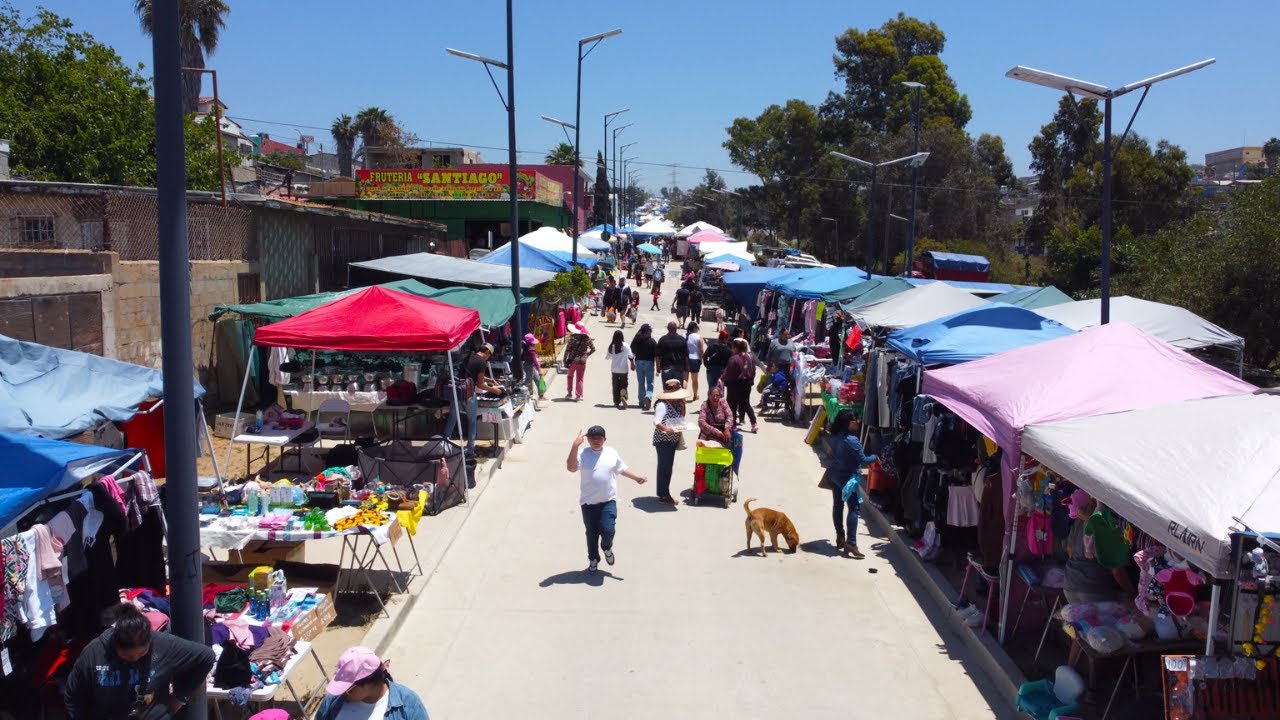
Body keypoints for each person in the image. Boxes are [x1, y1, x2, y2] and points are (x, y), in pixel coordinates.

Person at [64, 603, 215, 720]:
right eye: (128, 657)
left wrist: (179, 697)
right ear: (114, 645)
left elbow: (206, 657)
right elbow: (73, 694)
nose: (136, 659)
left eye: (142, 654)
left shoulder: (163, 645)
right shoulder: (94, 652)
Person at [566, 425, 648, 573]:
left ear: (605, 439)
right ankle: (593, 559)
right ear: (588, 440)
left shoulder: (611, 452)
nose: (596, 441)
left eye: (599, 438)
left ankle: (606, 548)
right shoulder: (583, 454)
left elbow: (621, 468)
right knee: (591, 534)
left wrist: (636, 477)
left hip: (608, 501)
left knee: (608, 530)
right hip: (588, 504)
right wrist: (575, 446)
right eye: (593, 438)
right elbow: (571, 468)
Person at [316, 646, 430, 720]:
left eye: (348, 690)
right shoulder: (333, 700)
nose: (342, 693)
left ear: (368, 683)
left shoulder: (408, 704)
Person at [826, 409, 877, 558]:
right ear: (847, 423)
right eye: (855, 419)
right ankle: (851, 543)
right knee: (854, 508)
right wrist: (876, 456)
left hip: (834, 474)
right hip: (848, 478)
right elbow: (863, 460)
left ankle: (840, 536)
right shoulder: (852, 440)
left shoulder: (834, 436)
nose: (858, 422)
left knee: (838, 506)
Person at [444, 343, 505, 459]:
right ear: (487, 352)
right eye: (489, 355)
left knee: (452, 419)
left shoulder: (469, 357)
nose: (488, 358)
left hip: (457, 392)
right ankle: (470, 450)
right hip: (469, 393)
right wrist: (494, 390)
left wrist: (491, 380)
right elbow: (480, 384)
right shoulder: (482, 362)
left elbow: (473, 375)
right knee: (472, 422)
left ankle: (444, 446)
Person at [651, 379, 688, 506]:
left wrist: (683, 405)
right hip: (663, 440)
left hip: (672, 440)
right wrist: (667, 429)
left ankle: (664, 492)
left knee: (667, 466)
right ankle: (663, 494)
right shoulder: (662, 405)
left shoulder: (677, 403)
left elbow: (681, 418)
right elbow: (656, 422)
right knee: (664, 467)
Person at [721, 338, 759, 433]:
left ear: (735, 348)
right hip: (747, 384)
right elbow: (754, 370)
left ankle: (733, 425)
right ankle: (754, 423)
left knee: (732, 405)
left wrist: (721, 379)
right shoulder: (749, 357)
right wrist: (751, 379)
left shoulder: (733, 359)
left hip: (734, 384)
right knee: (746, 403)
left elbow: (729, 371)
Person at [562, 323, 595, 402]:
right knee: (580, 379)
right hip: (582, 361)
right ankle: (578, 396)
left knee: (570, 376)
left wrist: (564, 360)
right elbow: (593, 349)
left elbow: (567, 350)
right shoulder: (587, 338)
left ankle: (569, 393)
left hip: (572, 360)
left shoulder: (572, 338)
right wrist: (586, 355)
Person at [604, 330, 634, 409]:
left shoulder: (612, 346)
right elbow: (630, 356)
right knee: (624, 384)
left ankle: (616, 401)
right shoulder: (626, 345)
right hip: (623, 369)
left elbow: (607, 357)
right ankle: (623, 396)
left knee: (615, 385)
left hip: (614, 369)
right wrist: (632, 362)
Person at [630, 324, 658, 411]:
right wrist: (658, 366)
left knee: (641, 383)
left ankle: (641, 402)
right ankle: (648, 396)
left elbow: (631, 352)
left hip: (638, 362)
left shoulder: (636, 340)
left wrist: (632, 362)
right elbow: (657, 354)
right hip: (649, 363)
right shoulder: (652, 341)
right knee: (650, 382)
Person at [655, 321, 689, 387]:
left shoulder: (662, 339)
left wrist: (658, 367)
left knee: (667, 389)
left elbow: (657, 355)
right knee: (678, 389)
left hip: (666, 368)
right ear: (676, 329)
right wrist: (687, 368)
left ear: (667, 328)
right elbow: (686, 355)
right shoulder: (682, 340)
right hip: (679, 368)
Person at [521, 332, 545, 402]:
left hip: (528, 366)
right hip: (530, 367)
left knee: (537, 379)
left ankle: (541, 395)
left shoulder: (525, 348)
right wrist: (539, 370)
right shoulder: (531, 350)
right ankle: (523, 395)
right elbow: (535, 361)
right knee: (528, 381)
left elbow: (522, 358)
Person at [685, 322, 706, 401]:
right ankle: (695, 395)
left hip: (686, 359)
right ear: (695, 328)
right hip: (695, 359)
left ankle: (683, 397)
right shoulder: (699, 337)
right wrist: (701, 359)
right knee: (694, 379)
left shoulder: (684, 335)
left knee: (685, 379)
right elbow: (701, 350)